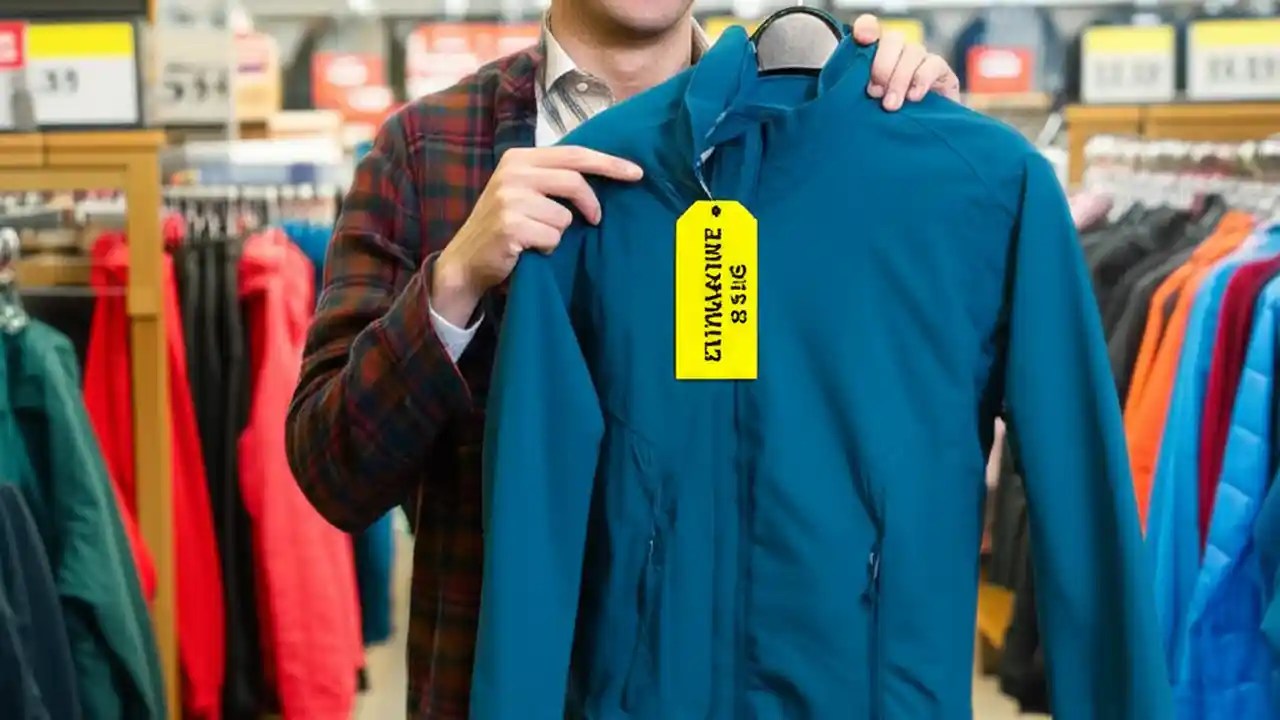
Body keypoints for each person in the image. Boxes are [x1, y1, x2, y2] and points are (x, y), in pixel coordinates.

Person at [285, 2, 962, 716]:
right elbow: (335, 473)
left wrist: (920, 142)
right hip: (501, 686)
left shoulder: (819, 136)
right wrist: (454, 282)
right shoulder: (425, 153)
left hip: (748, 683)